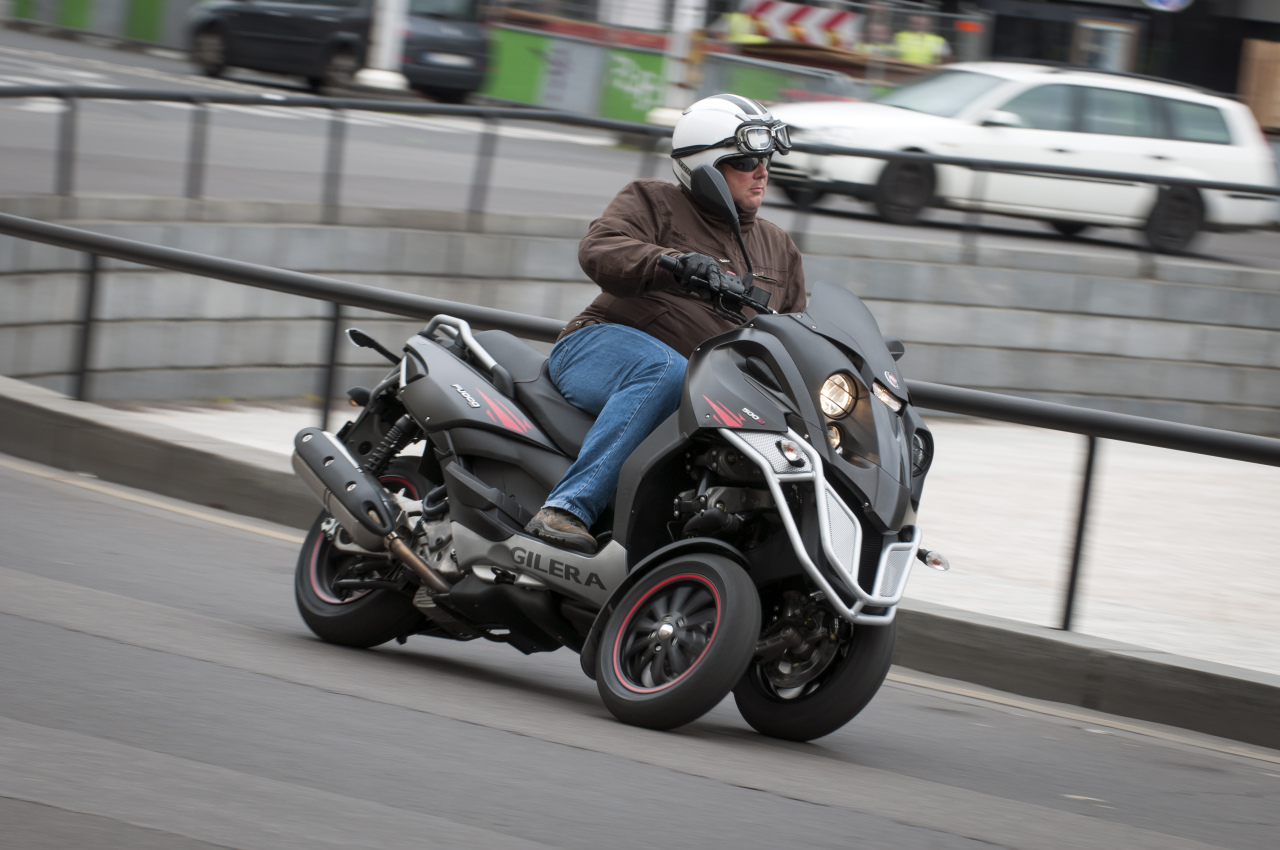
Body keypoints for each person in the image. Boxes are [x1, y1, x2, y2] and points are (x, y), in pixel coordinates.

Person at [524, 94, 808, 553]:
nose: (761, 172)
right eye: (745, 162)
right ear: (705, 167)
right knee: (667, 370)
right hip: (601, 345)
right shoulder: (654, 201)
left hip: (707, 386)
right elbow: (600, 249)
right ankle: (567, 507)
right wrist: (670, 261)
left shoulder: (778, 246)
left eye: (766, 161)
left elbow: (795, 327)